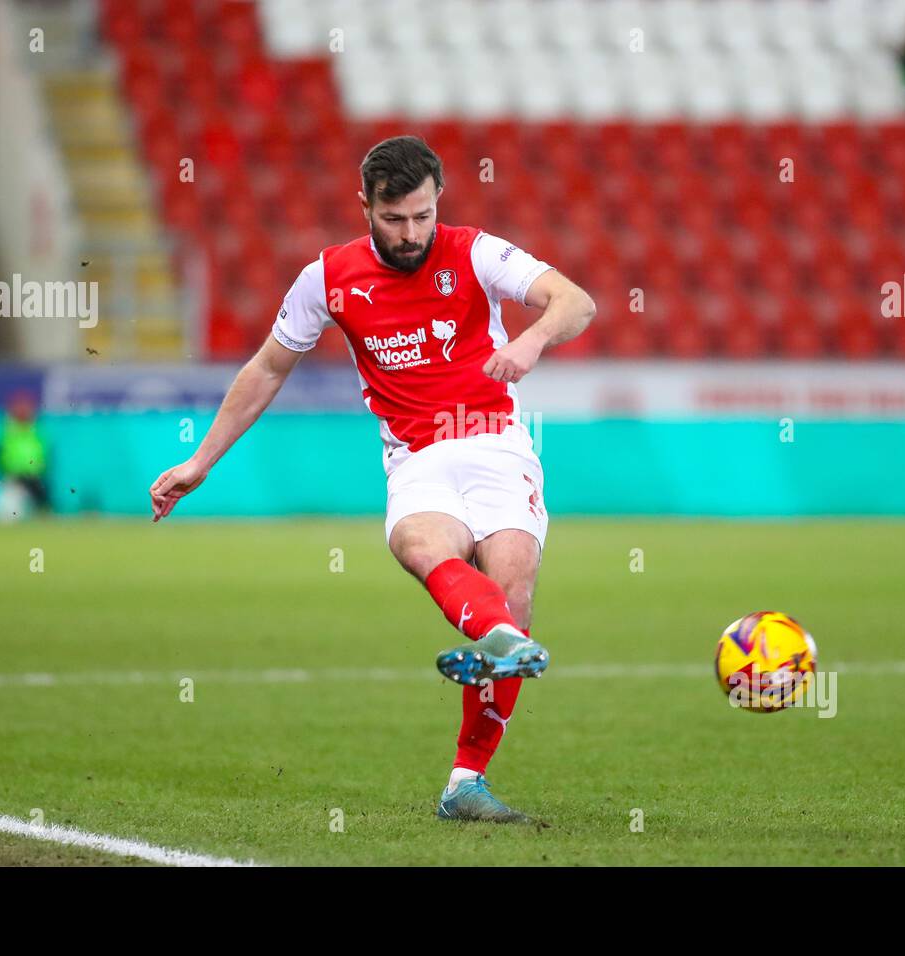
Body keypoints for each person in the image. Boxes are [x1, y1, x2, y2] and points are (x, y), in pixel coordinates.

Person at [149, 136, 596, 823]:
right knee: (420, 546)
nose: (411, 233)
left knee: (513, 590)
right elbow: (268, 367)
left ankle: (465, 782)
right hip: (416, 458)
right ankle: (503, 643)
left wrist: (531, 339)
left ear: (437, 202)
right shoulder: (326, 279)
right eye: (394, 219)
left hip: (496, 444)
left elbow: (575, 301)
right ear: (364, 206)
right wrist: (200, 462)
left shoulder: (476, 252)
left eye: (422, 216)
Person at [0, 391, 51, 519]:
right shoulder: (4, 430)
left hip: (35, 479)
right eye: (19, 407)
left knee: (43, 515)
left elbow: (45, 455)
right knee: (7, 516)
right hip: (13, 480)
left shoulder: (38, 430)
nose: (24, 411)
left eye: (27, 407)